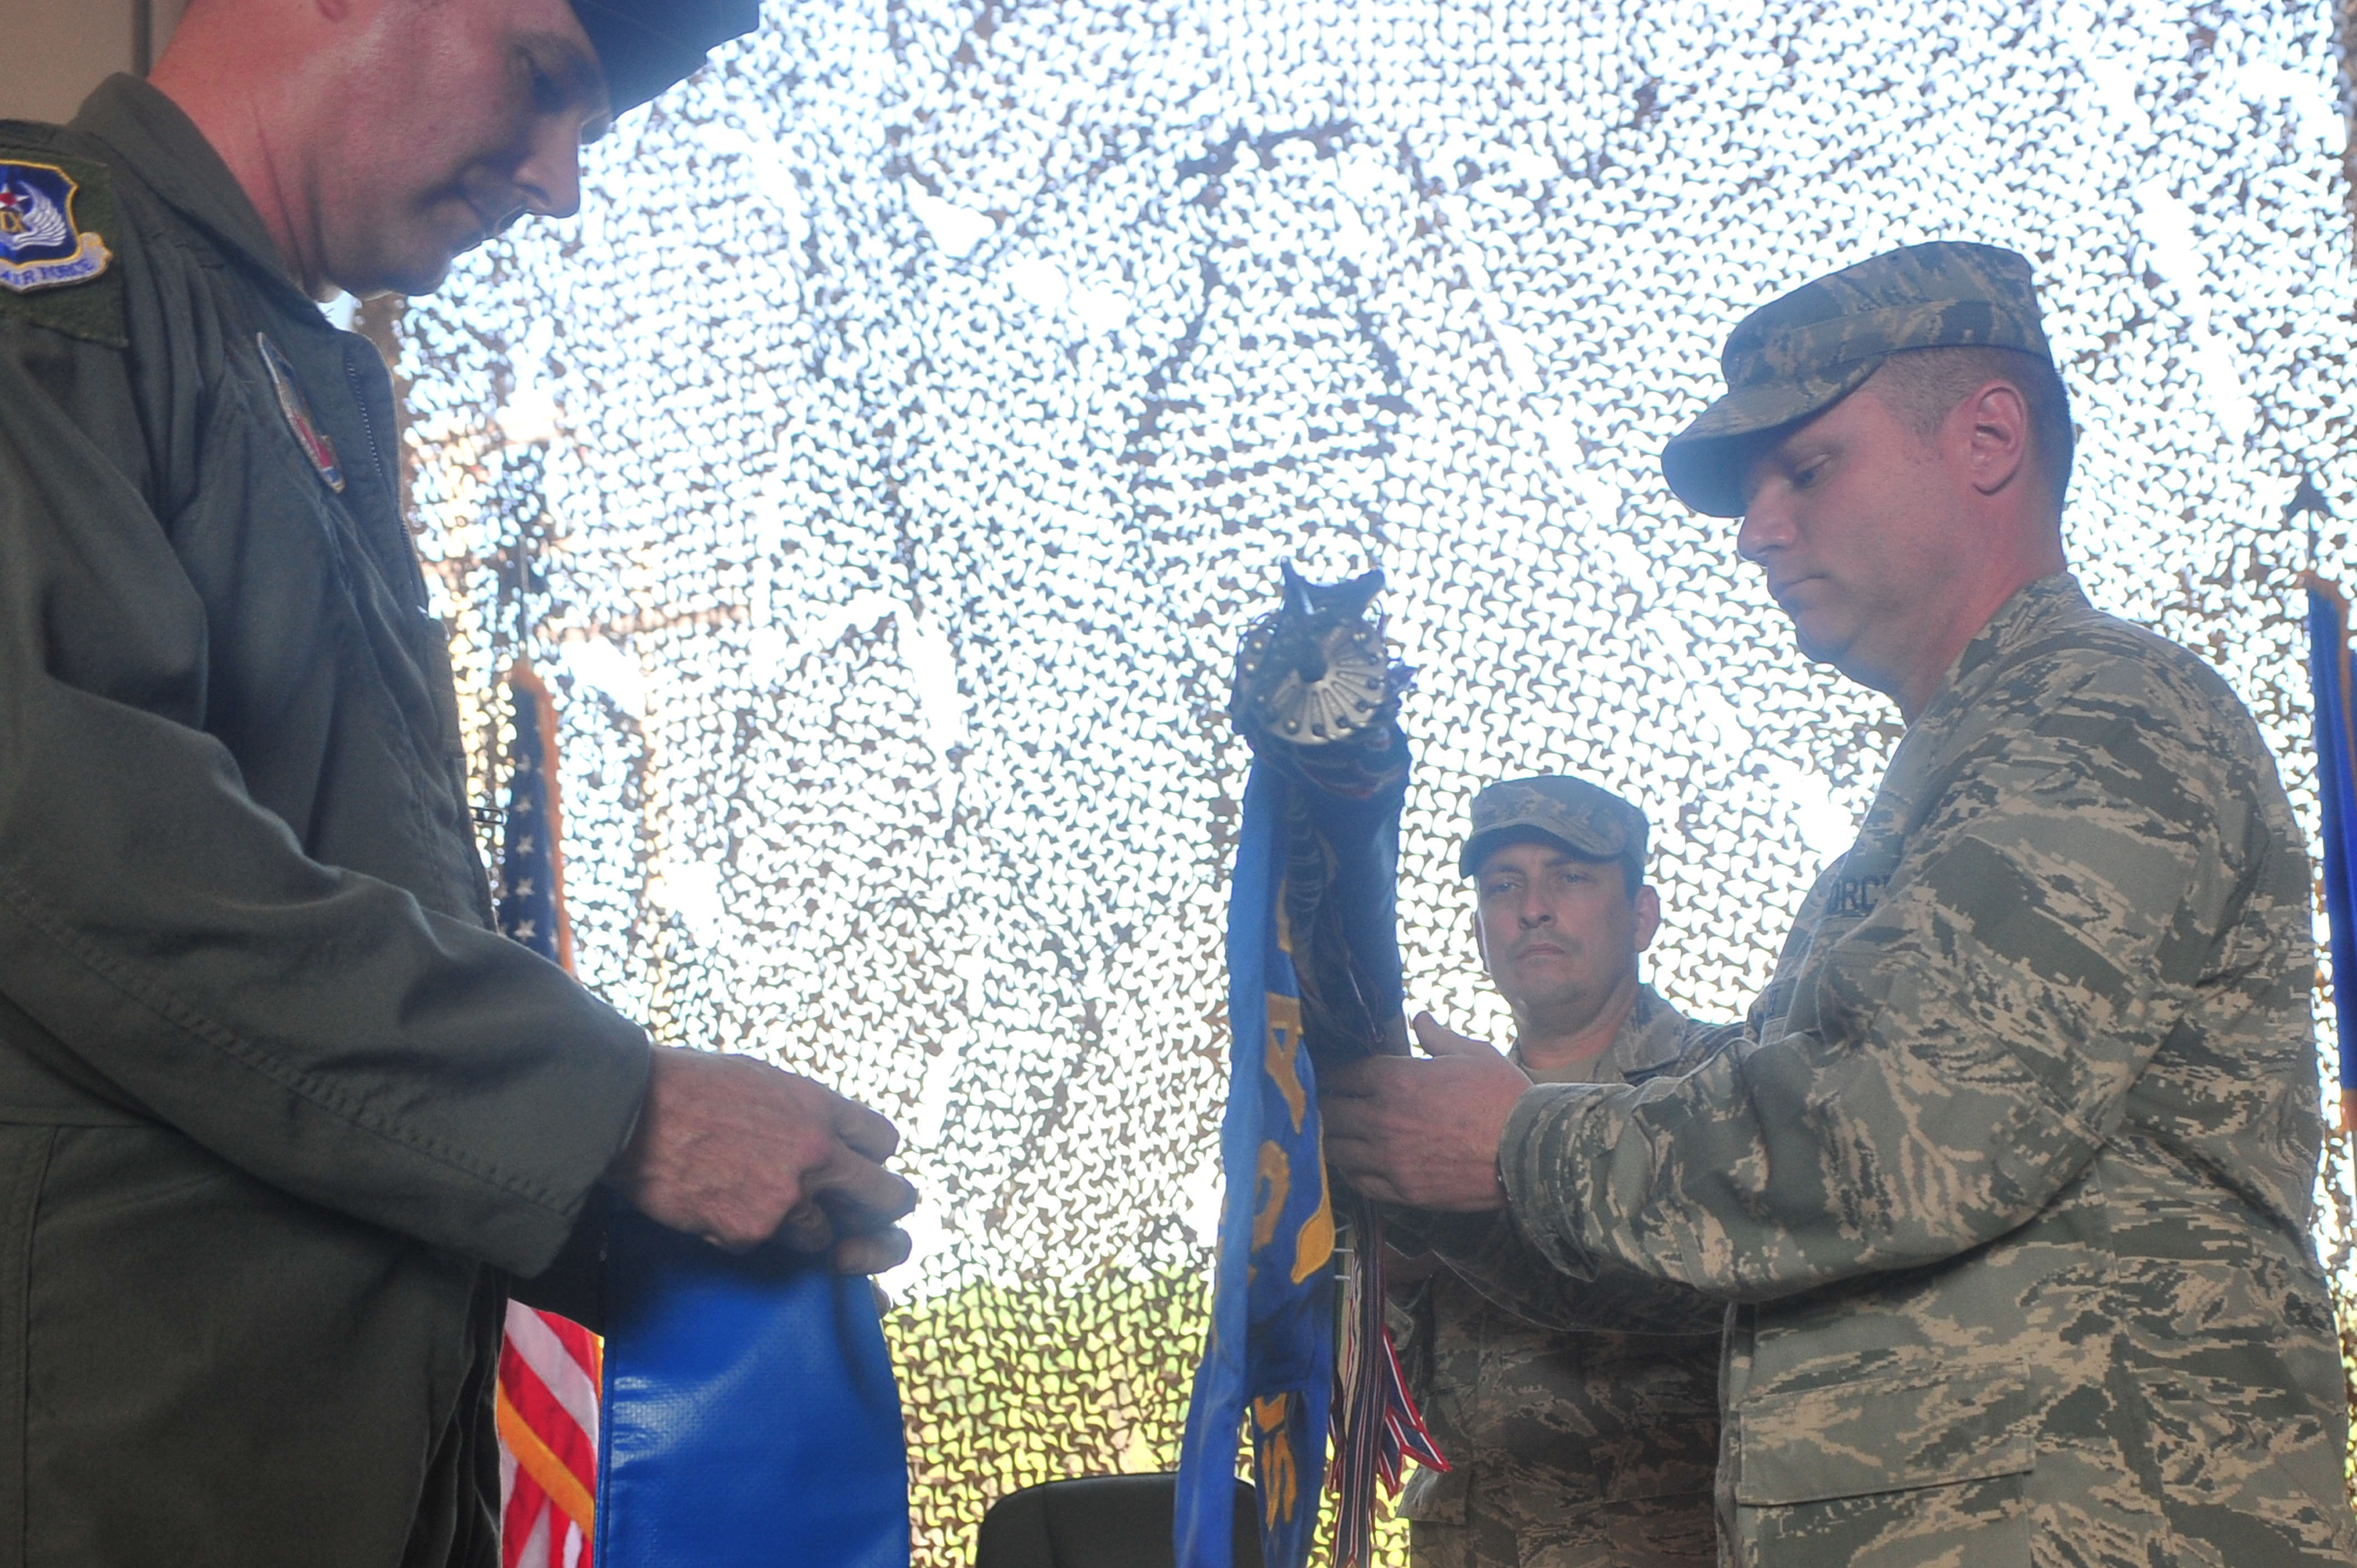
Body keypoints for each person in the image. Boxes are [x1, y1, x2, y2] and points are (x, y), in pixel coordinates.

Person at [0, 1, 915, 1561]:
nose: (561, 179)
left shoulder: (285, 370)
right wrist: (609, 1115)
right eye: (545, 80)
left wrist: (613, 1192)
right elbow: (59, 832)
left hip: (325, 1444)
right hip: (115, 1461)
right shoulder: (58, 276)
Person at [1322, 241, 2356, 1565]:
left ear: (1988, 437)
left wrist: (1518, 1149)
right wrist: (1430, 1177)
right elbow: (1741, 1267)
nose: (1756, 530)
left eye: (1805, 471)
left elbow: (1919, 1126)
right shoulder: (1950, 784)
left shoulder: (2103, 716)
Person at [1393, 775, 1732, 1568]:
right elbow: (1393, 1395)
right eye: (1503, 884)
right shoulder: (1433, 1123)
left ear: (1642, 916)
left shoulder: (1725, 1090)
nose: (1532, 907)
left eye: (1570, 877)